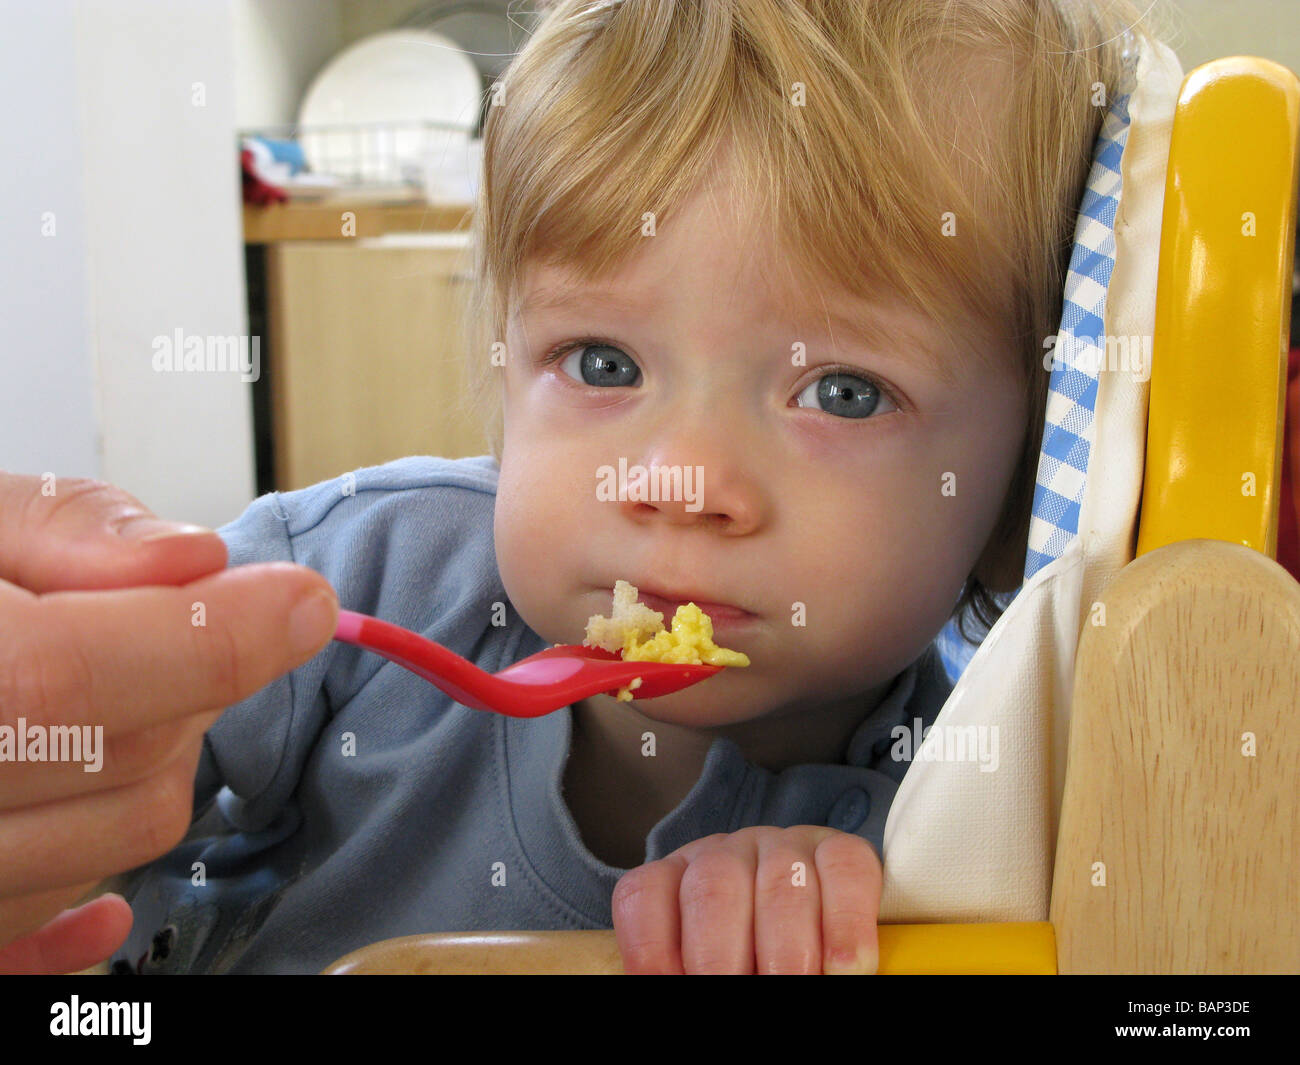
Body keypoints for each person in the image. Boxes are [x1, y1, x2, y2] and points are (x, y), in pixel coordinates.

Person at [0, 0, 1159, 974]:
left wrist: (796, 922)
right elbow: (86, 763)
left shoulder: (957, 817)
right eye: (604, 364)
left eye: (844, 392)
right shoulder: (357, 577)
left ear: (1017, 481)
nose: (681, 482)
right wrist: (79, 771)